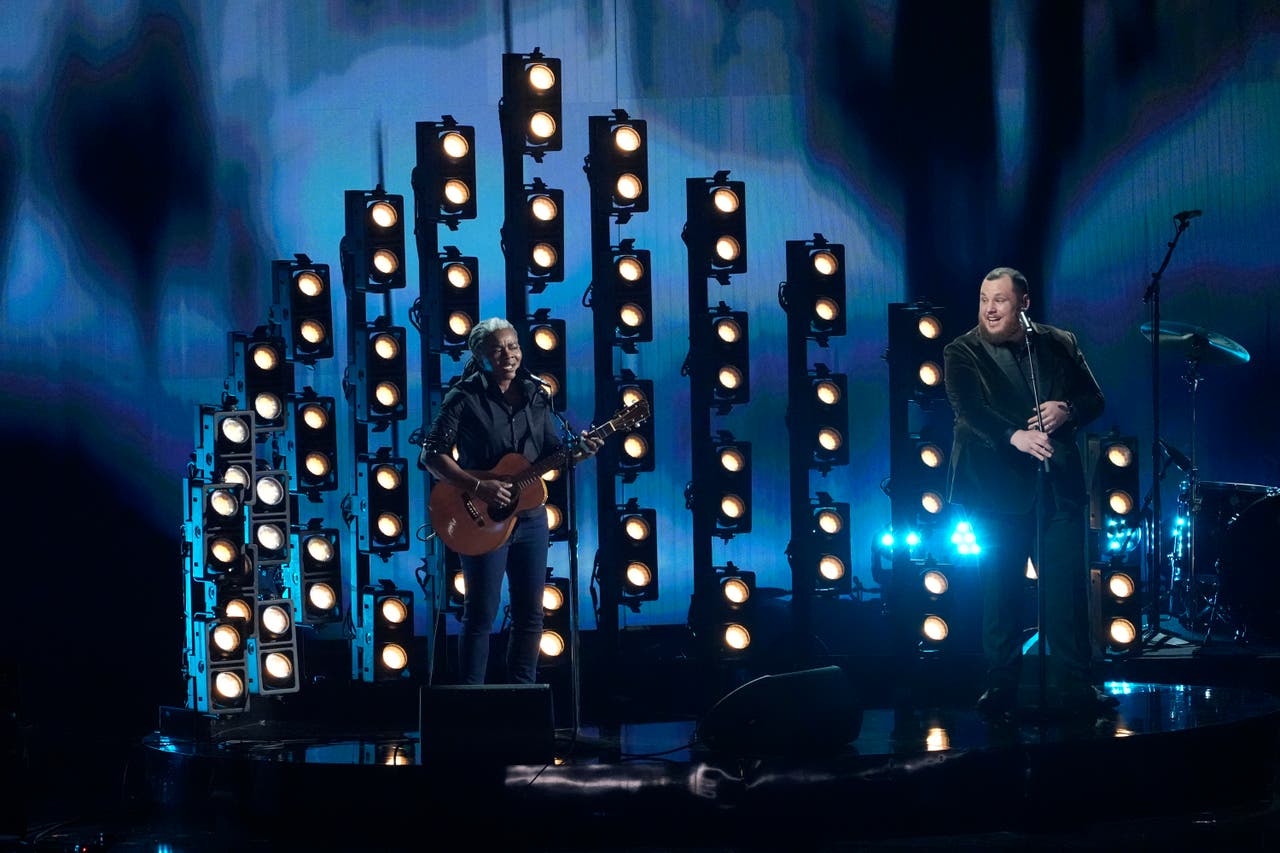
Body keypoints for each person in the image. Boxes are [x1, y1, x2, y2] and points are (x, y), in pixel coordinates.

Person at [943, 267, 1117, 718]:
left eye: (999, 300)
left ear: (1023, 303)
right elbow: (969, 409)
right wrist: (1013, 436)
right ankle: (1000, 686)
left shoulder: (1059, 342)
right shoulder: (962, 350)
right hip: (995, 485)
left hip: (1056, 485)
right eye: (984, 299)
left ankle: (1077, 686)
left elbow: (1095, 398)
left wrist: (1068, 411)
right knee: (1001, 588)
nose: (989, 309)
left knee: (1066, 591)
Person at [420, 317, 601, 684]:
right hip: (480, 517)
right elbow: (431, 456)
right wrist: (477, 486)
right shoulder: (463, 396)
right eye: (498, 349)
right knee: (480, 614)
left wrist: (579, 453)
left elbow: (551, 452)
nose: (508, 355)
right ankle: (470, 701)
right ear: (480, 356)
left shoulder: (537, 394)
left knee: (531, 614)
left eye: (513, 346)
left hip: (530, 516)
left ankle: (523, 696)